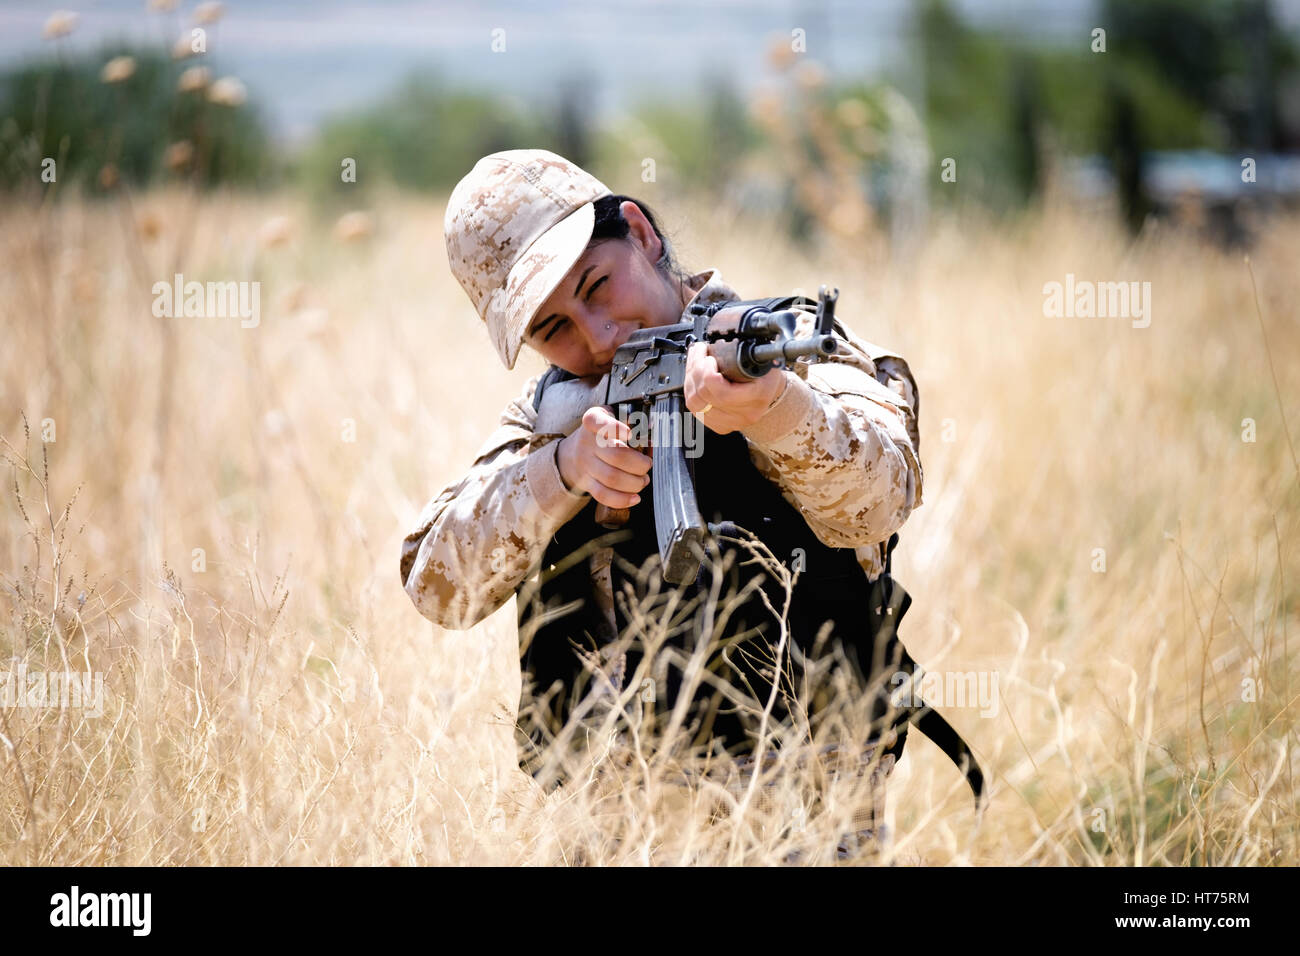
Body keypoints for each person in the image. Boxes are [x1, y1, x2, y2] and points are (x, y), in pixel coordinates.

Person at [400, 148, 946, 858]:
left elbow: (882, 500)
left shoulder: (795, 351)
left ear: (641, 232)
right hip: (612, 817)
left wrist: (773, 409)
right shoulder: (555, 415)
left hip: (802, 808)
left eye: (596, 286)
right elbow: (438, 588)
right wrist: (564, 471)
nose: (596, 337)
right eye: (551, 329)